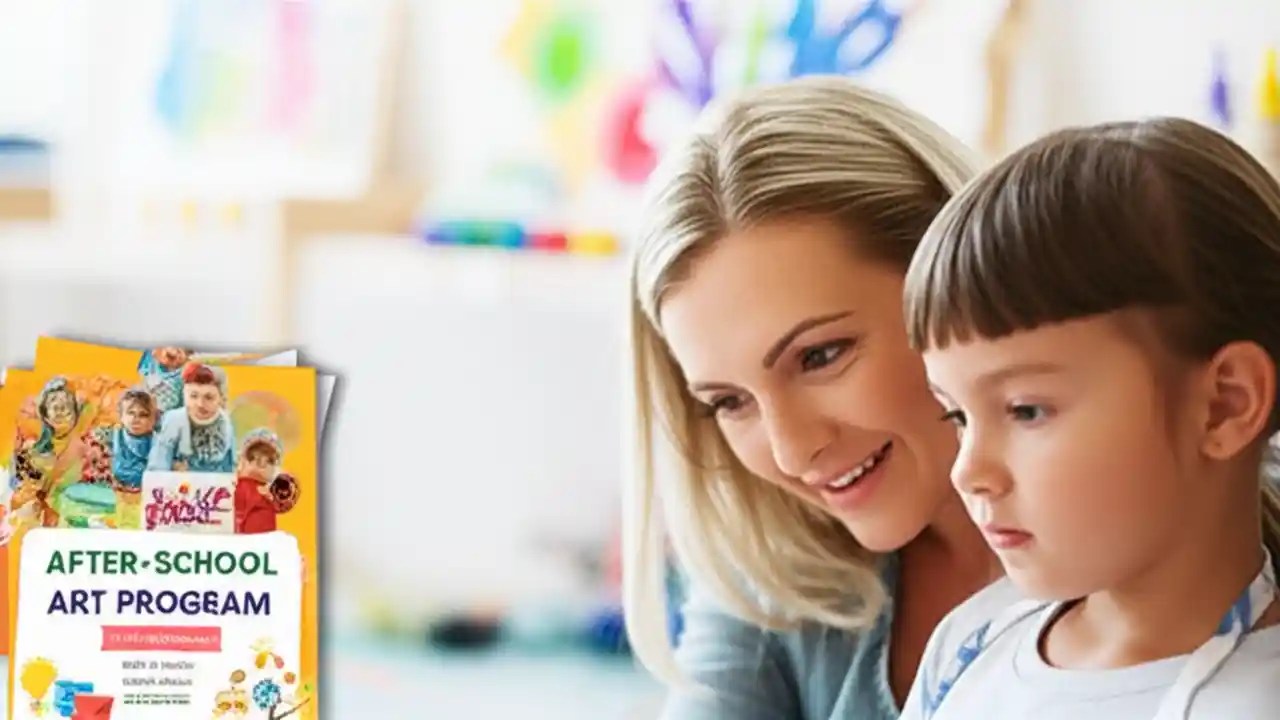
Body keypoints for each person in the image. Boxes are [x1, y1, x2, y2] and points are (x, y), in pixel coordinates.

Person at [625, 76, 1016, 718]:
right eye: (728, 401)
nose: (792, 450)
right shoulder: (775, 576)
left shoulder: (1177, 561)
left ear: (959, 275)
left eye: (819, 356)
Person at [900, 118, 1280, 718]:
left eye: (1026, 410)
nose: (968, 472)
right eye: (957, 415)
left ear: (1224, 404)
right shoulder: (971, 644)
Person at [148, 362, 236, 473]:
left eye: (209, 397)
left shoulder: (225, 423)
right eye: (193, 396)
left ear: (221, 398)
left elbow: (230, 467)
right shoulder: (173, 420)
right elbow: (158, 463)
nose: (200, 404)